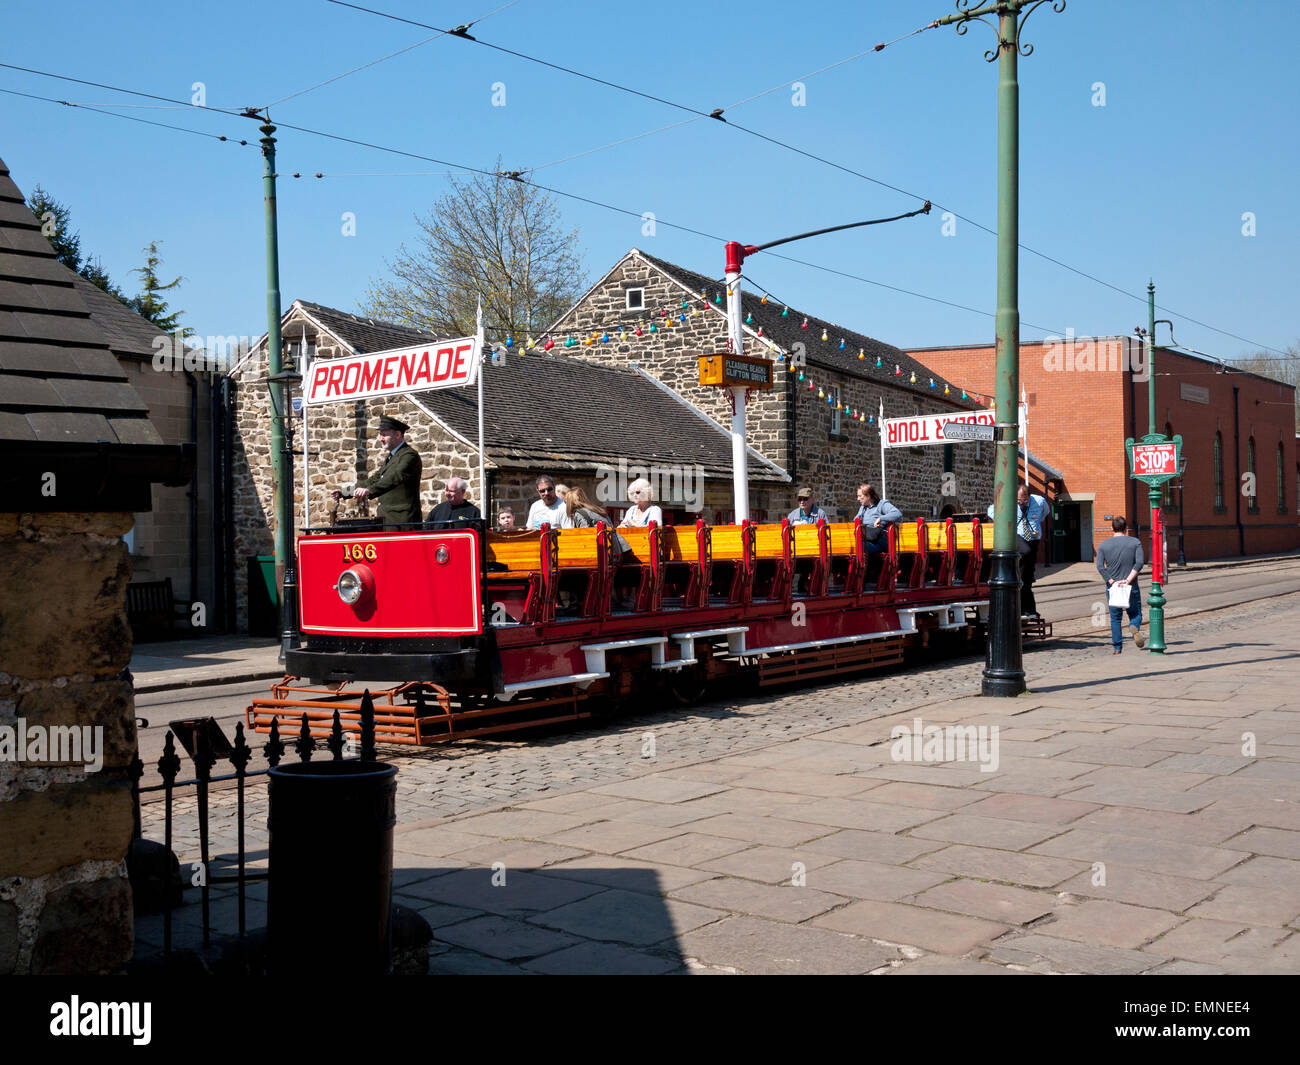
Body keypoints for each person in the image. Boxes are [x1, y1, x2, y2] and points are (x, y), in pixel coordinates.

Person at [333, 415, 422, 526]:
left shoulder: (409, 455)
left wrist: (369, 490)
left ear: (398, 434)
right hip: (387, 520)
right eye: (380, 434)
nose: (381, 439)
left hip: (402, 522)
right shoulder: (392, 457)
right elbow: (373, 480)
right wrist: (345, 492)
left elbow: (394, 477)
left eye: (384, 435)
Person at [987, 484, 1049, 617]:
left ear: (1029, 497)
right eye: (1019, 501)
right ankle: (1018, 606)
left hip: (1033, 539)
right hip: (1018, 537)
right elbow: (991, 510)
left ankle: (1029, 609)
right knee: (1024, 555)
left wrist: (1036, 523)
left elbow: (1045, 513)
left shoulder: (1039, 501)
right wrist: (1003, 522)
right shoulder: (1009, 501)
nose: (1022, 503)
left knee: (1028, 577)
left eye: (1024, 500)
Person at [1097, 515, 1146, 654]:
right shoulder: (1135, 542)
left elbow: (1100, 566)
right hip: (1130, 586)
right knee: (1136, 614)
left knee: (1115, 618)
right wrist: (1128, 580)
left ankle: (1117, 648)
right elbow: (1139, 563)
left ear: (1111, 528)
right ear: (1126, 528)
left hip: (1113, 587)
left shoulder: (1103, 545)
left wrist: (1111, 580)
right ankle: (1133, 626)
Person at [856, 483, 902, 555]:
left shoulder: (882, 504)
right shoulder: (863, 508)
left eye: (860, 496)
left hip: (880, 543)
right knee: (857, 545)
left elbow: (897, 514)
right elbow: (855, 521)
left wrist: (881, 518)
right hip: (867, 539)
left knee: (861, 546)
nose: (858, 499)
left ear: (868, 496)